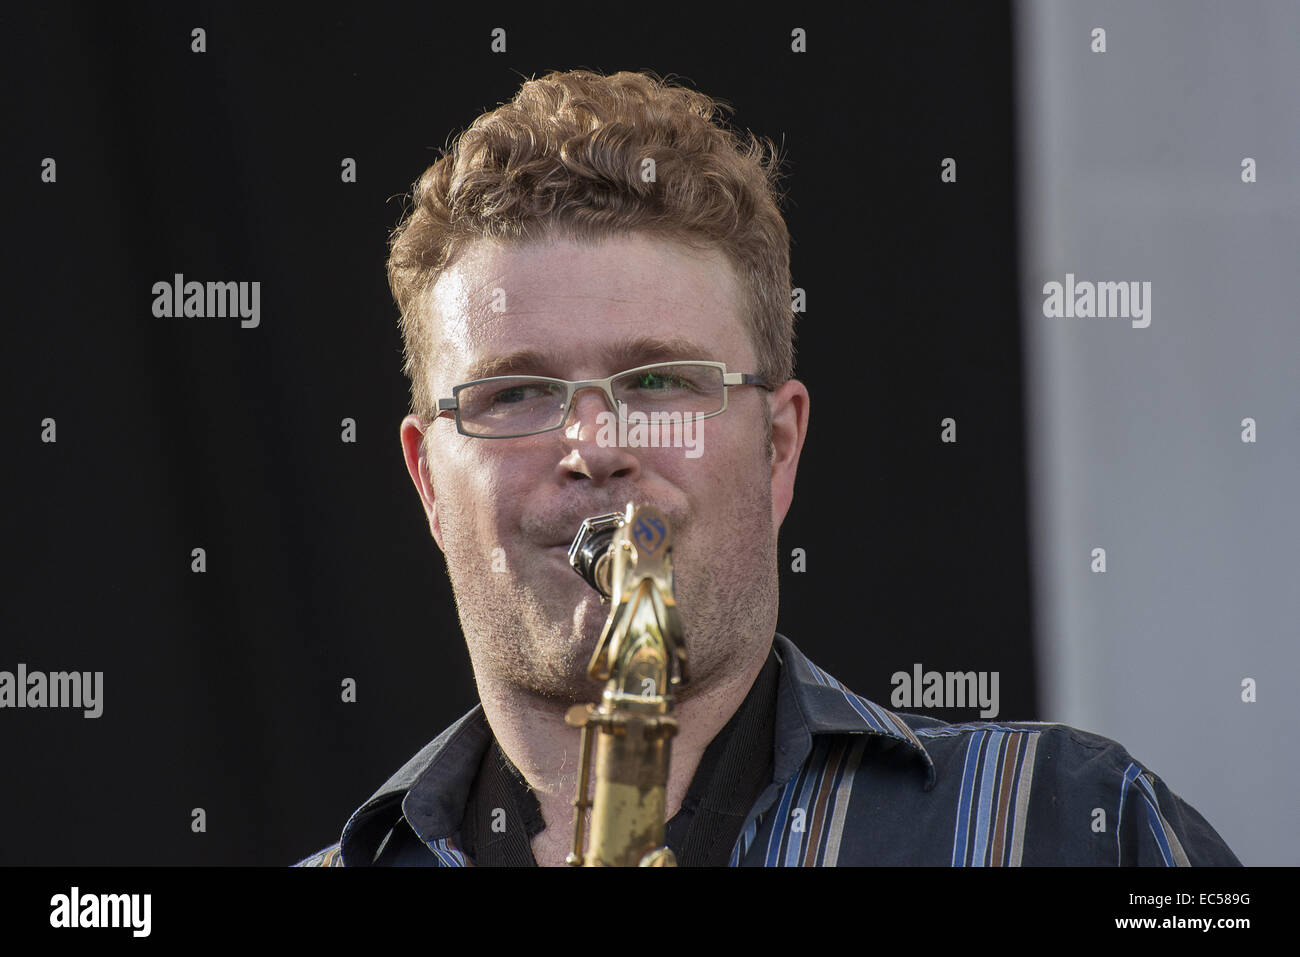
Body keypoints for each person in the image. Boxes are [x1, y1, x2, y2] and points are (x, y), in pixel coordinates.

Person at [296, 69, 1239, 867]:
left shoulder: (1073, 826)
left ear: (778, 448)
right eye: (515, 393)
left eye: (659, 381)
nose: (595, 448)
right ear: (428, 480)